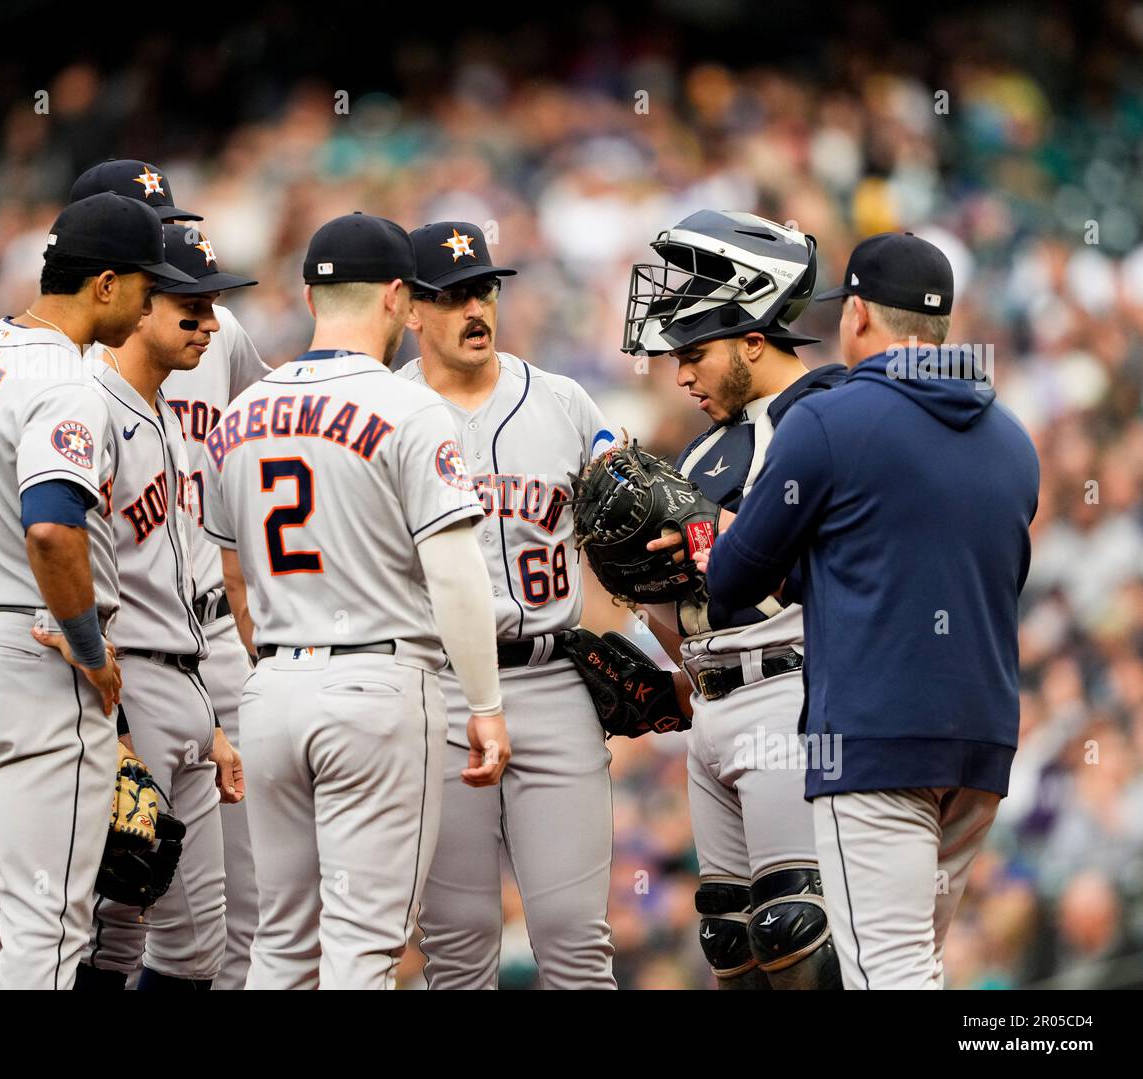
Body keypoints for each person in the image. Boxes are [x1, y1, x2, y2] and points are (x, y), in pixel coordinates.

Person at [696, 232, 1040, 989]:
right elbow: (936, 580)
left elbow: (728, 578)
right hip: (980, 747)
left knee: (887, 976)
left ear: (856, 314)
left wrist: (718, 534)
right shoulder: (1015, 441)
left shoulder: (831, 420)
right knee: (917, 964)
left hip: (874, 743)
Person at [203, 212, 512, 989]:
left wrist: (276, 657)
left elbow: (232, 574)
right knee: (363, 944)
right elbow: (454, 571)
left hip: (269, 689)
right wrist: (485, 700)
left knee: (280, 940)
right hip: (377, 688)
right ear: (401, 299)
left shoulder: (240, 413)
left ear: (311, 297)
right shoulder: (408, 408)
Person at [0, 192, 194, 989]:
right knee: (49, 933)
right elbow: (50, 526)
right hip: (36, 657)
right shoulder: (64, 378)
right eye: (146, 284)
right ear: (105, 283)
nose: (151, 303)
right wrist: (90, 647)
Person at [625, 210, 845, 989]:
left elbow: (826, 557)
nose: (681, 375)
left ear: (755, 337)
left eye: (694, 353)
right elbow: (693, 585)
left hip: (791, 686)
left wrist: (706, 528)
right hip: (712, 700)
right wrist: (634, 598)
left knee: (799, 927)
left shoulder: (830, 413)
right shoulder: (703, 444)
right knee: (730, 938)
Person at [397, 221, 617, 989]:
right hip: (438, 690)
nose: (474, 308)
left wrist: (665, 649)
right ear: (411, 310)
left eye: (483, 289)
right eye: (451, 296)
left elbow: (625, 541)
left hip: (551, 678)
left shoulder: (563, 401)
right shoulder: (382, 410)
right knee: (458, 947)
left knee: (574, 937)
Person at [71, 160, 268, 987]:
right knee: (108, 914)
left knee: (243, 916)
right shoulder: (63, 375)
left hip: (212, 639)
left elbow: (267, 453)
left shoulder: (215, 339)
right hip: (120, 652)